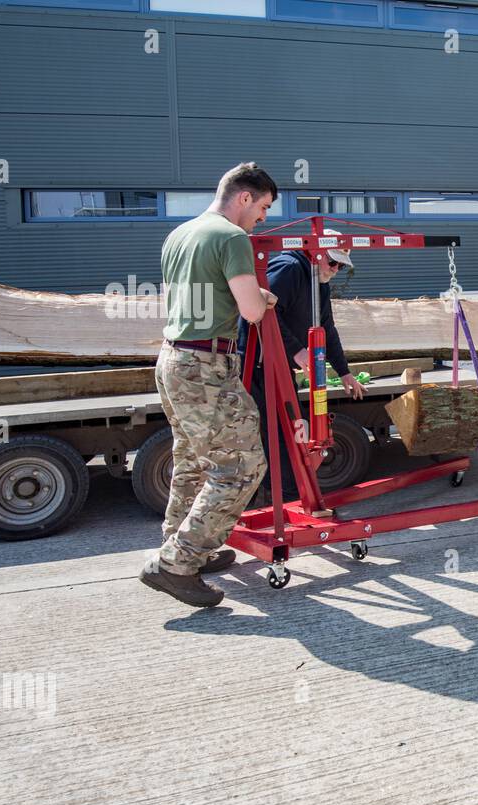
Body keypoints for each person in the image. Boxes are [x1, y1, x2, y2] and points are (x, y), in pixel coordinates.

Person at [140, 162, 279, 607]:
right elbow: (252, 311)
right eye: (263, 207)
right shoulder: (231, 237)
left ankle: (179, 546)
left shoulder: (179, 234)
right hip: (205, 365)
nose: (263, 218)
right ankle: (177, 564)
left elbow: (201, 295)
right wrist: (266, 296)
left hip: (174, 358)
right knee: (242, 468)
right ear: (244, 197)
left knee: (193, 462)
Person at [239, 228, 366, 500]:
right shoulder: (288, 270)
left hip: (279, 367)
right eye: (332, 262)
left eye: (340, 266)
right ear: (315, 252)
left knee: (290, 431)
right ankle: (277, 499)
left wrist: (344, 372)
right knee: (269, 434)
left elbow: (327, 328)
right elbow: (260, 313)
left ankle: (287, 496)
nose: (335, 269)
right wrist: (296, 350)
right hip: (256, 366)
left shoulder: (318, 282)